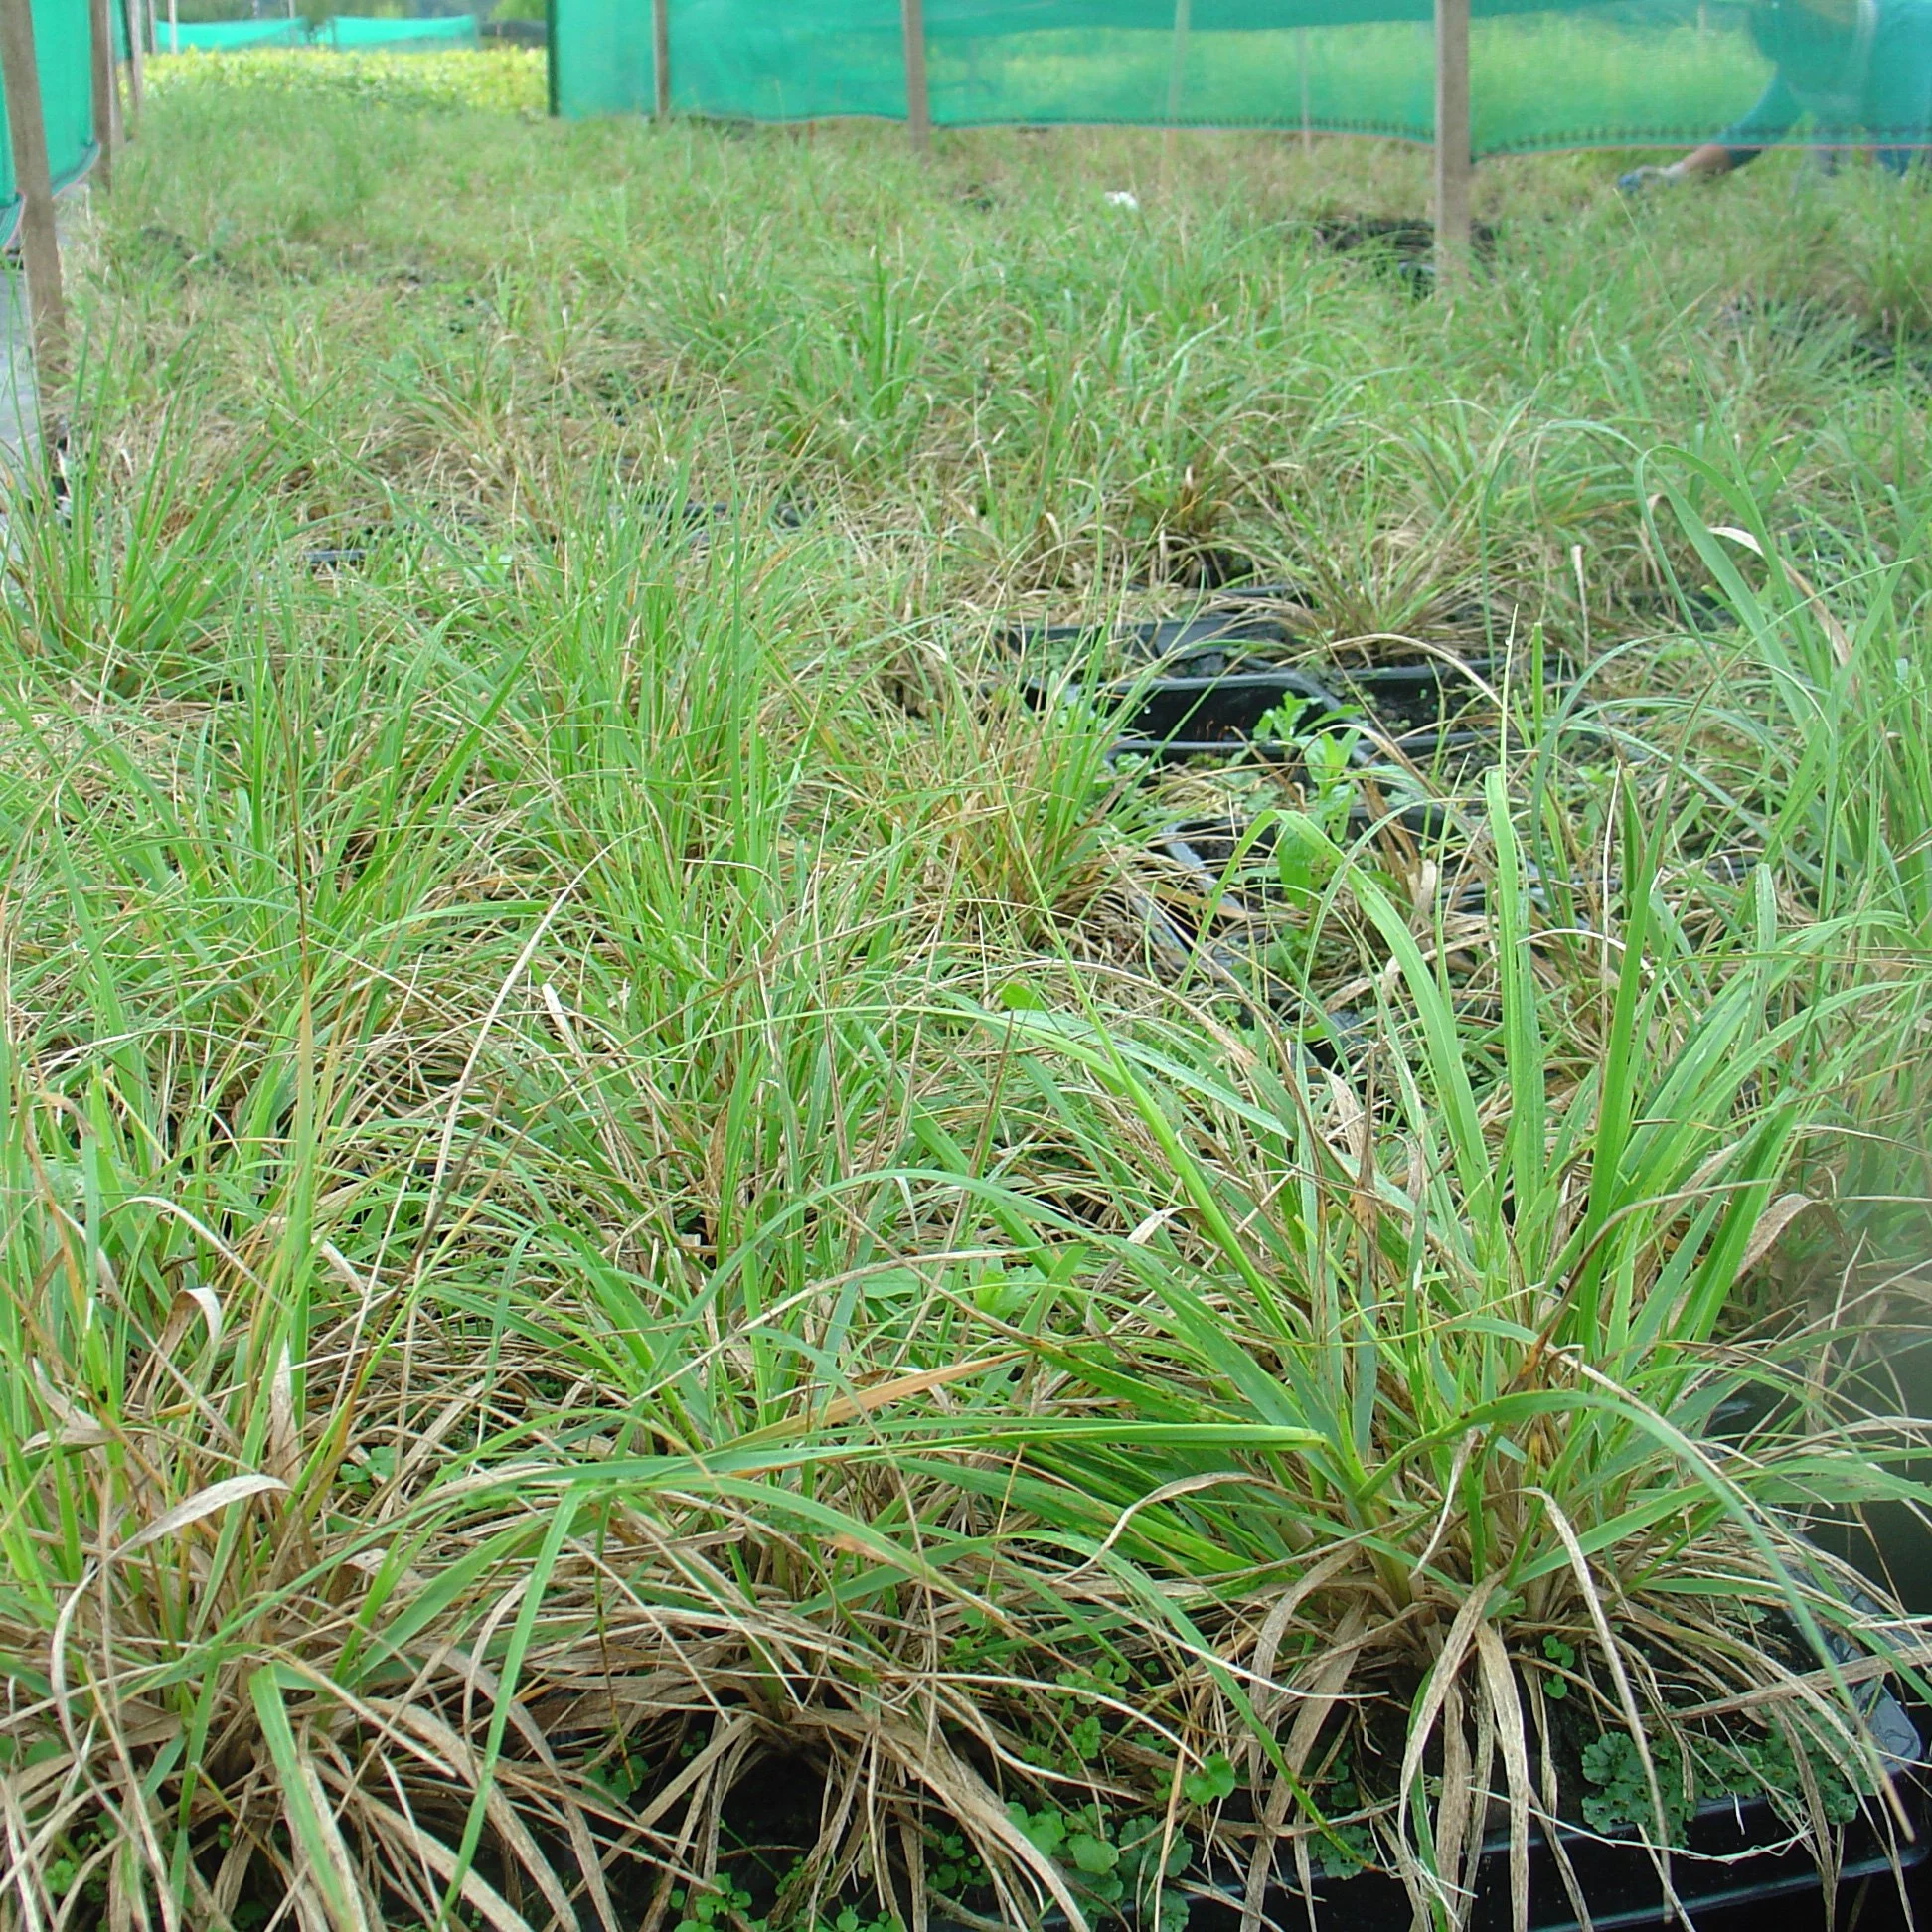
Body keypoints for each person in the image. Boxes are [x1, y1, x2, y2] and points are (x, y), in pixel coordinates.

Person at [1618, 0, 1932, 189]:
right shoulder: (1803, 52)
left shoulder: (1903, 32)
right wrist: (1673, 177)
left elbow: (1900, 158)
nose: (1793, 73)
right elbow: (1754, 132)